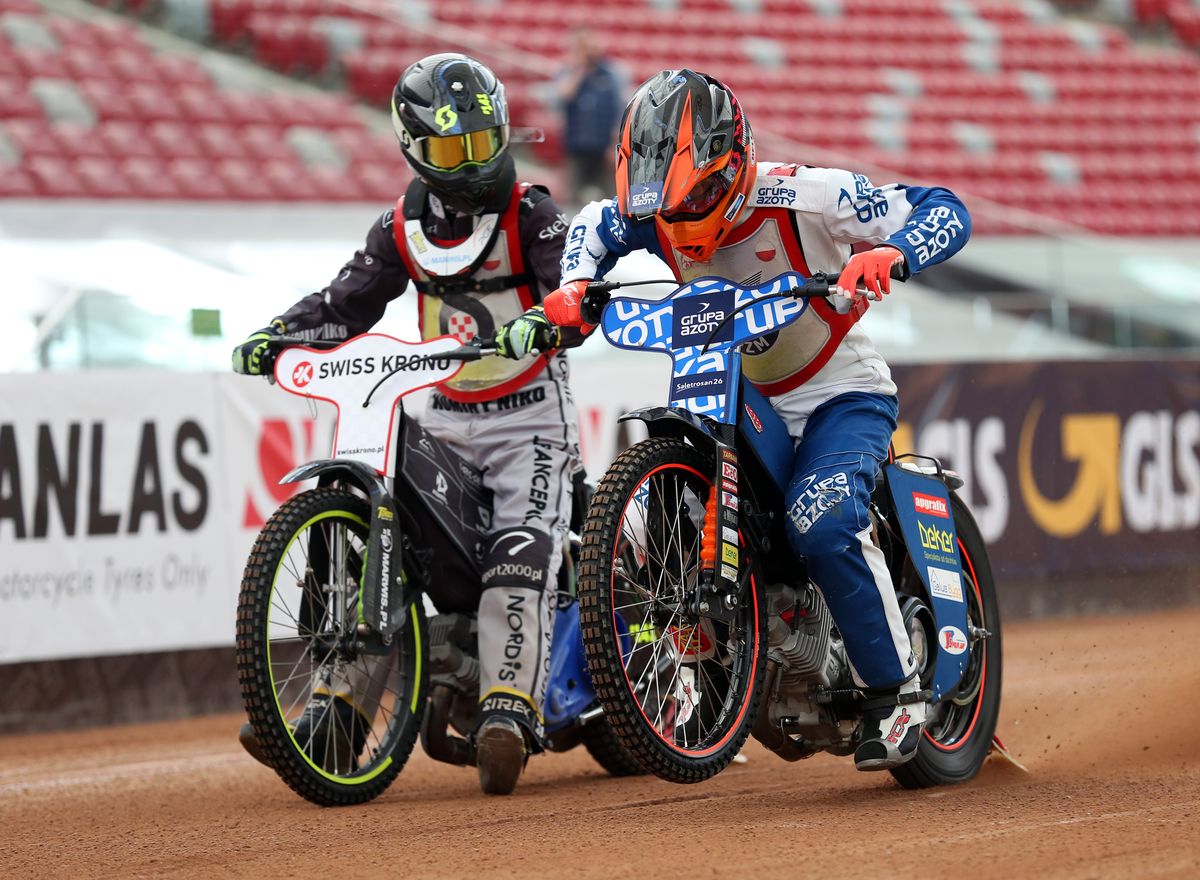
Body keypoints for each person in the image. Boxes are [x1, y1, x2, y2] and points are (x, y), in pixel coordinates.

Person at [496, 69, 972, 771]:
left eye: (700, 201)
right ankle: (726, 672)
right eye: (667, 213)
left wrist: (889, 252)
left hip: (837, 392)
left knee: (821, 519)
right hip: (726, 392)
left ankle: (899, 694)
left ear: (735, 161)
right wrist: (569, 292)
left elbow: (944, 208)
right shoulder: (652, 209)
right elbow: (595, 224)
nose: (683, 228)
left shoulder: (809, 193)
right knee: (678, 524)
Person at [232, 52, 582, 795]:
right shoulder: (399, 226)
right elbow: (342, 304)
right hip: (445, 416)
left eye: (486, 141)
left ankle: (507, 712)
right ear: (415, 149)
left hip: (532, 425)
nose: (478, 161)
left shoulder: (533, 212)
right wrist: (280, 333)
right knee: (382, 555)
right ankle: (337, 718)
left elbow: (578, 291)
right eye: (456, 150)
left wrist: (553, 322)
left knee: (517, 555)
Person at [554, 27, 624, 209]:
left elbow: (619, 111)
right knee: (571, 198)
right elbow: (564, 95)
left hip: (603, 146)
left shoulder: (611, 74)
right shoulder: (569, 73)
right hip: (576, 145)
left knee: (612, 197)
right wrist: (579, 69)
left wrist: (614, 144)